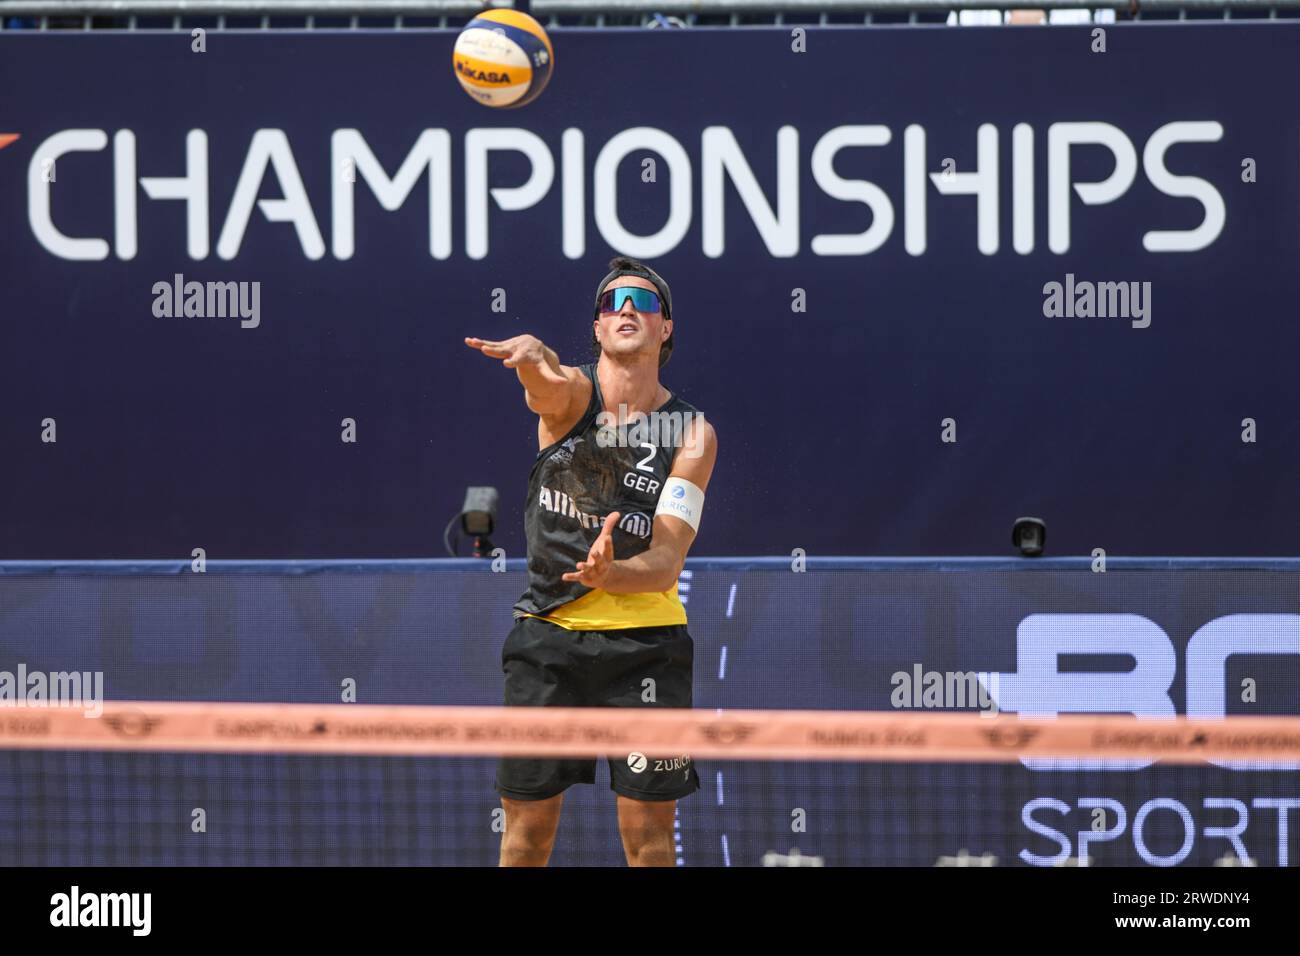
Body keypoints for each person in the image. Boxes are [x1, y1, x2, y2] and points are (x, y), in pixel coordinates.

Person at [465, 256, 718, 867]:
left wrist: (613, 574)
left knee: (651, 846)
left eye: (644, 302)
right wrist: (531, 361)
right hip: (548, 642)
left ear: (666, 330)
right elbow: (546, 389)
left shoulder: (691, 434)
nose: (627, 309)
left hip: (646, 653)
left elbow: (666, 558)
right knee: (525, 840)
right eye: (613, 303)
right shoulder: (573, 395)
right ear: (599, 329)